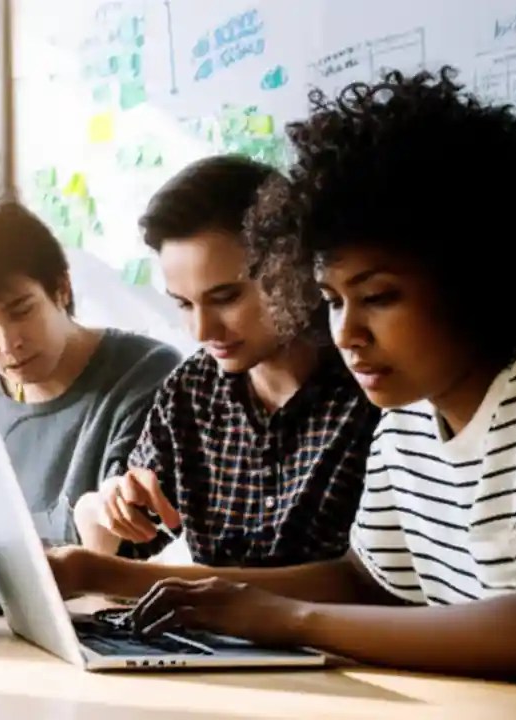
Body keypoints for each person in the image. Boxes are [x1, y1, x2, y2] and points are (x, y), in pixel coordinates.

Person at [47, 68, 516, 684]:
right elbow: (365, 581)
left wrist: (288, 618)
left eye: (378, 297)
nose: (348, 334)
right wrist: (111, 573)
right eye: (333, 299)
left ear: (479, 275)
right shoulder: (406, 415)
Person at [72, 155, 380, 567]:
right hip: (206, 629)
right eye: (183, 304)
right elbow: (123, 545)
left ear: (294, 269)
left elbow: (373, 586)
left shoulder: (372, 381)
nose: (202, 331)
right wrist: (108, 503)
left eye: (225, 298)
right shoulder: (193, 388)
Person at [0, 201, 182, 546]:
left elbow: (124, 530)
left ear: (61, 289)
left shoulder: (147, 372)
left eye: (22, 312)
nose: (8, 343)